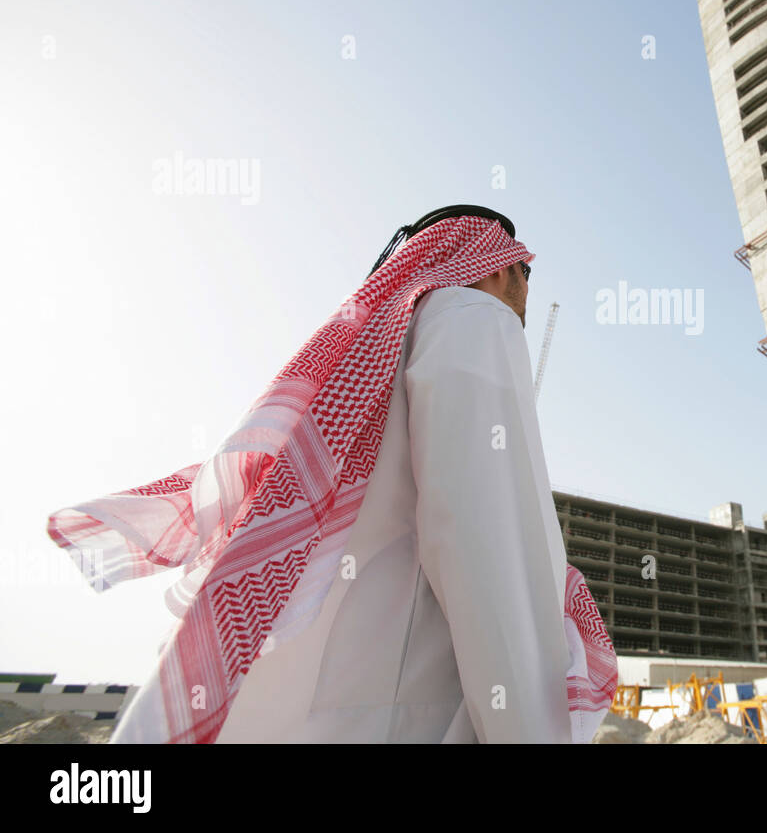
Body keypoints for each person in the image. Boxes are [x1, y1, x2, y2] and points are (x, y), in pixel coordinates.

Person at [47, 205, 616, 743]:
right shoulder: (474, 319)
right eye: (524, 277)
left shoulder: (389, 344)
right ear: (495, 269)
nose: (524, 302)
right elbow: (490, 550)